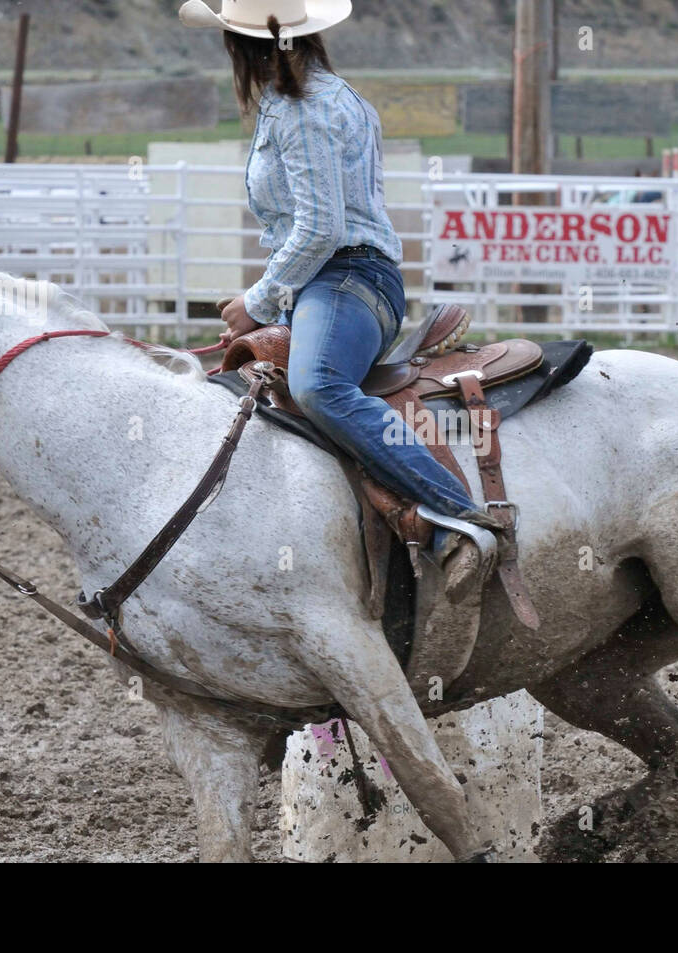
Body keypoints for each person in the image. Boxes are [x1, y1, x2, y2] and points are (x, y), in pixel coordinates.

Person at [178, 0, 497, 600]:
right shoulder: (314, 98)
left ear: (242, 45)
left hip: (348, 279)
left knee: (320, 386)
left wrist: (260, 300)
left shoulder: (304, 110)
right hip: (333, 283)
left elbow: (322, 227)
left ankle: (459, 520)